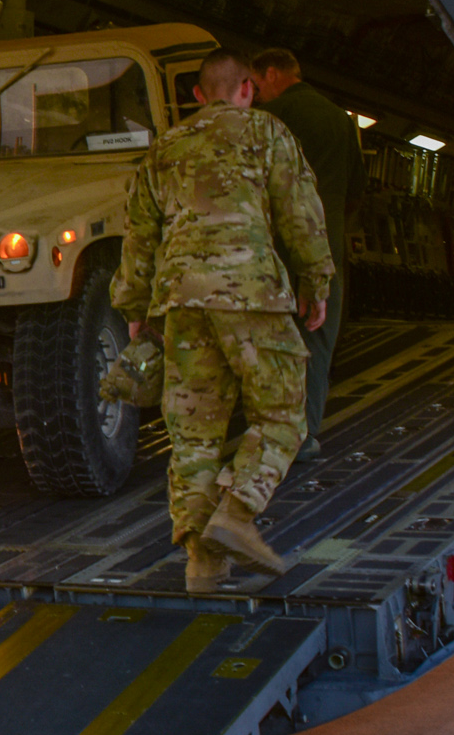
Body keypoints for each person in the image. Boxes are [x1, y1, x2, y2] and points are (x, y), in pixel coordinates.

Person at [107, 50, 333, 592]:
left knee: (194, 436)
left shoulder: (164, 148)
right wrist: (315, 281)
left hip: (182, 305)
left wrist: (136, 311)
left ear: (197, 95)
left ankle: (202, 563)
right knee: (282, 414)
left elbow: (139, 235)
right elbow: (299, 210)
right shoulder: (267, 133)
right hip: (252, 295)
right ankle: (237, 512)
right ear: (248, 88)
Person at [249, 48, 361, 451]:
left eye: (257, 84)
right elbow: (356, 190)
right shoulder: (340, 119)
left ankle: (274, 432)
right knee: (317, 339)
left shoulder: (269, 119)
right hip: (327, 246)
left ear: (272, 74)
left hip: (277, 247)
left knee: (276, 340)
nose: (256, 93)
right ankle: (306, 432)